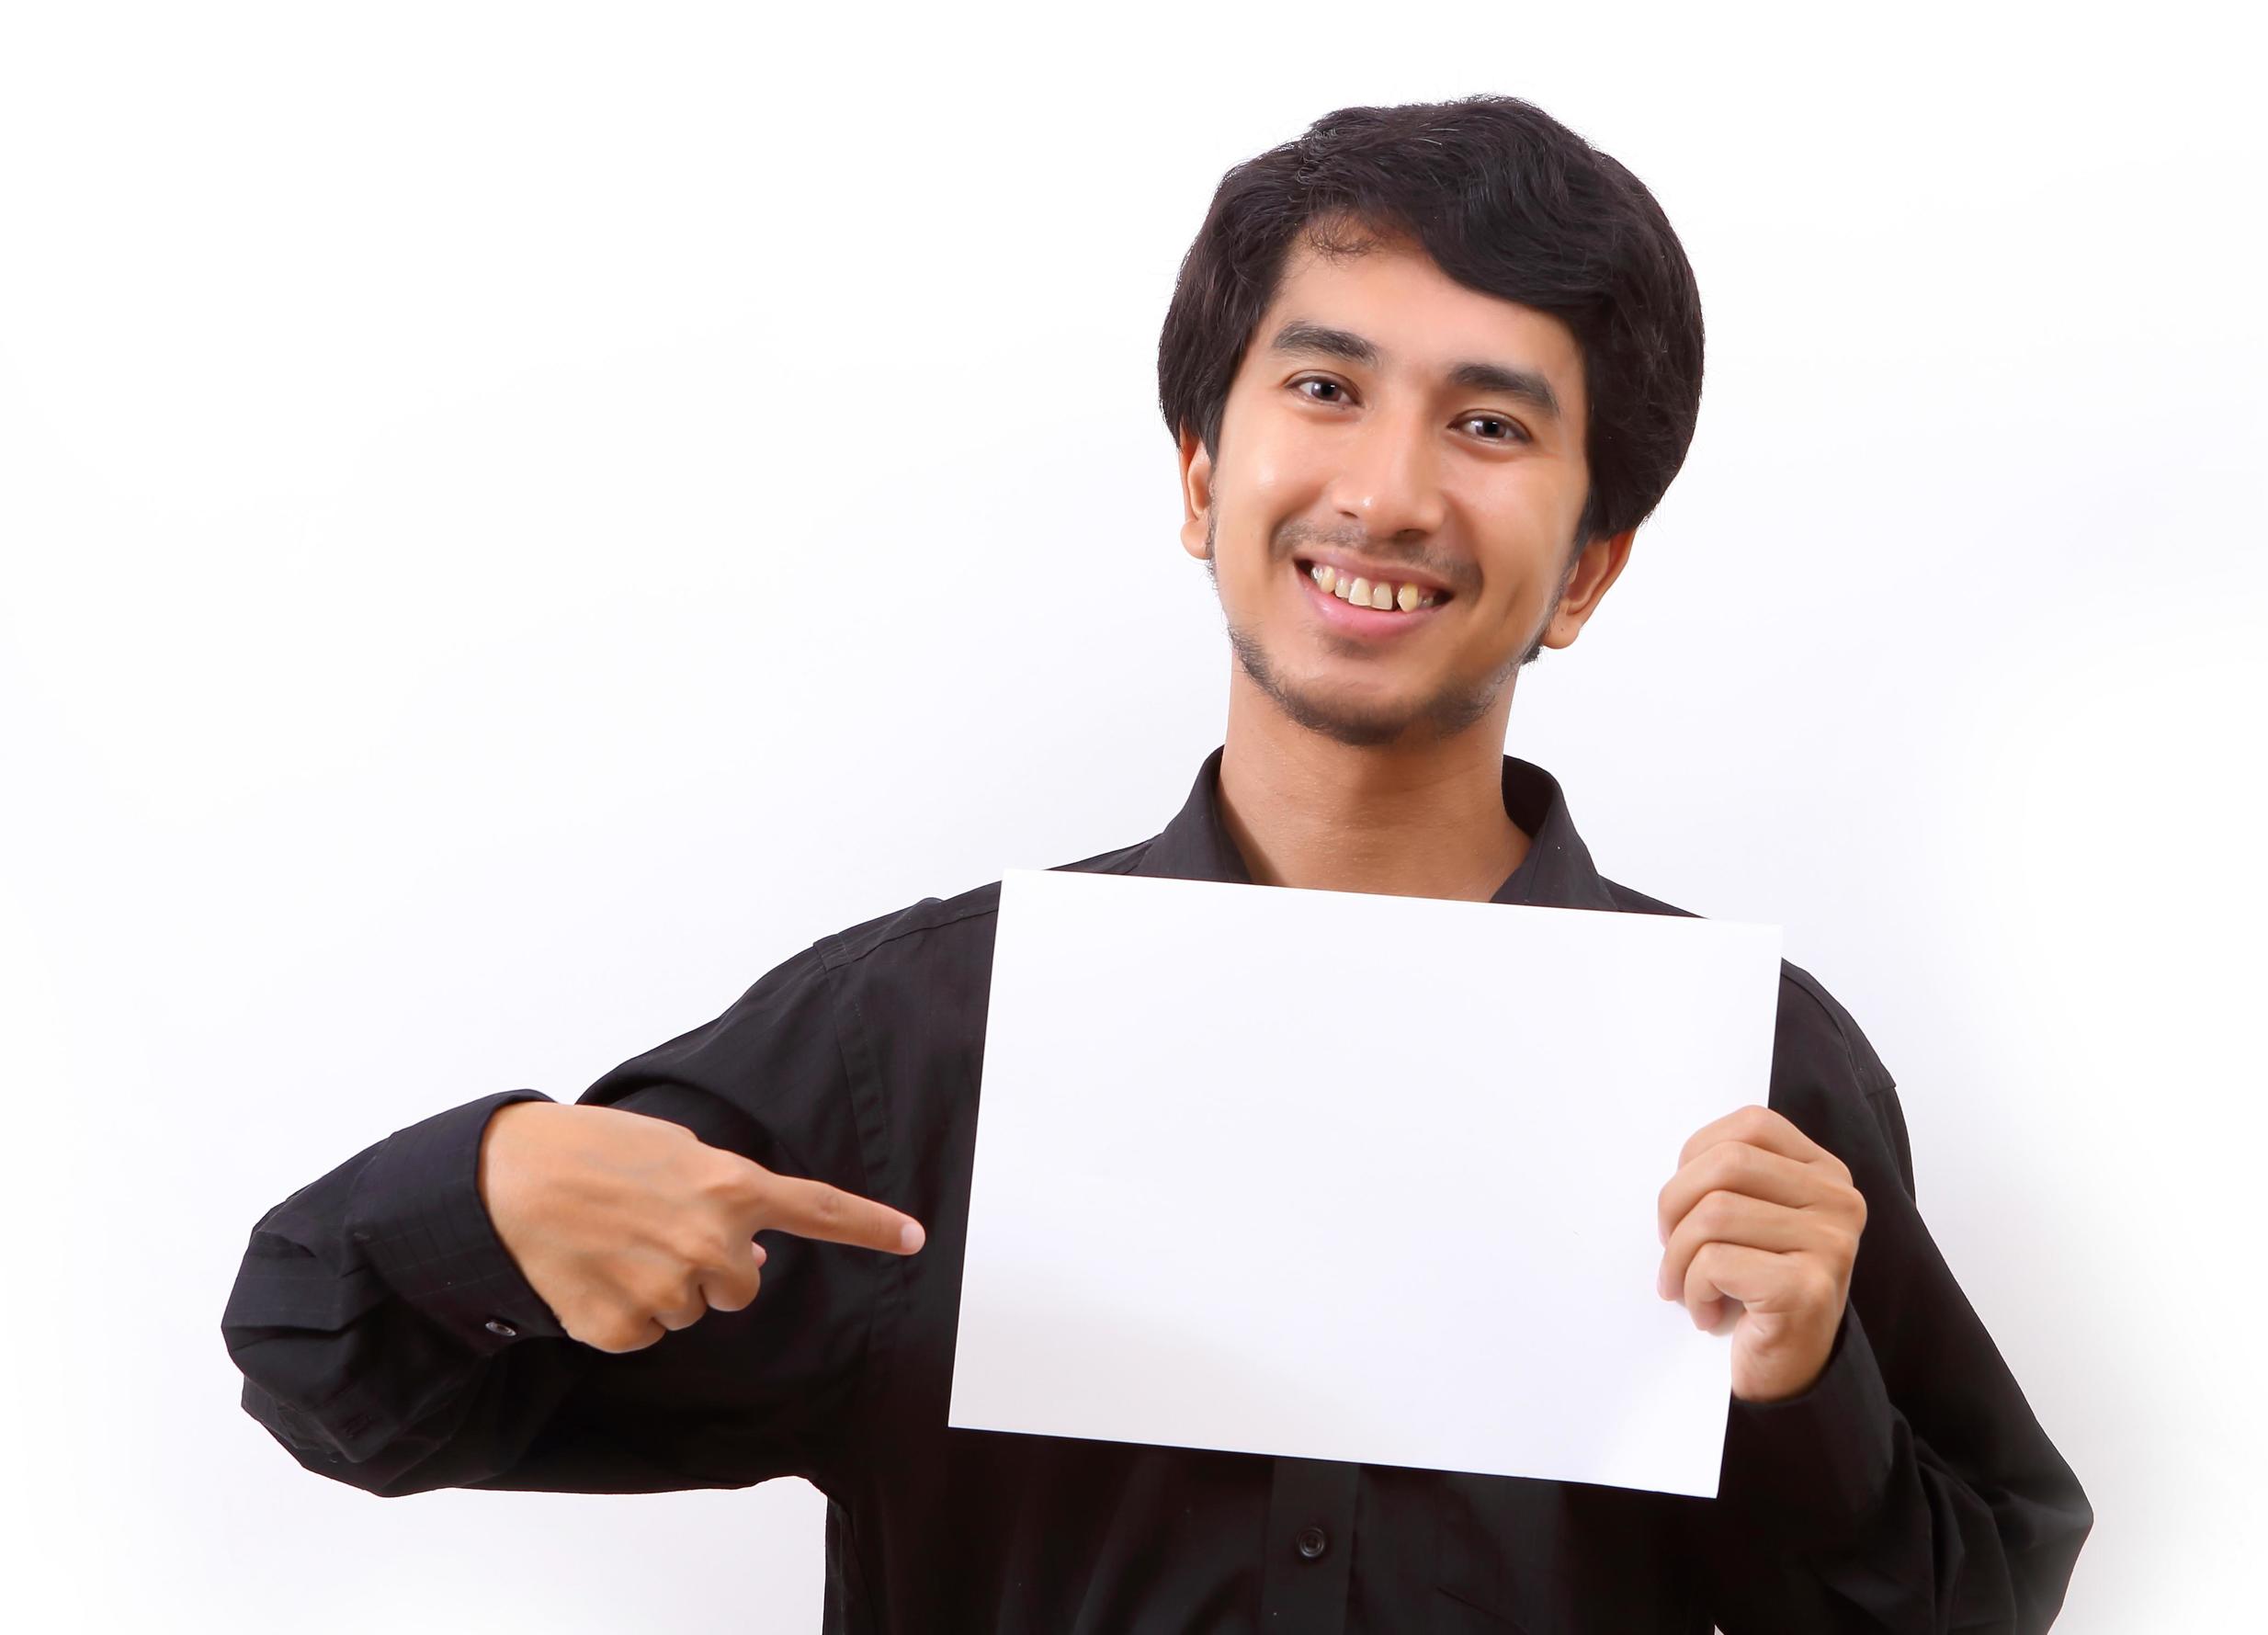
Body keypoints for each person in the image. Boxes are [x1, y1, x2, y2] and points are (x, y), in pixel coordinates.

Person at [221, 95, 2092, 1632]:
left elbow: (1978, 1595)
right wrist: (496, 1181)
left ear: (1588, 567)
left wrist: (1798, 1384)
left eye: (1489, 423)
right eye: (1327, 388)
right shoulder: (918, 1047)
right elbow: (331, 1359)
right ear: (1203, 476)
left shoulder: (1742, 1074)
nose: (1387, 492)